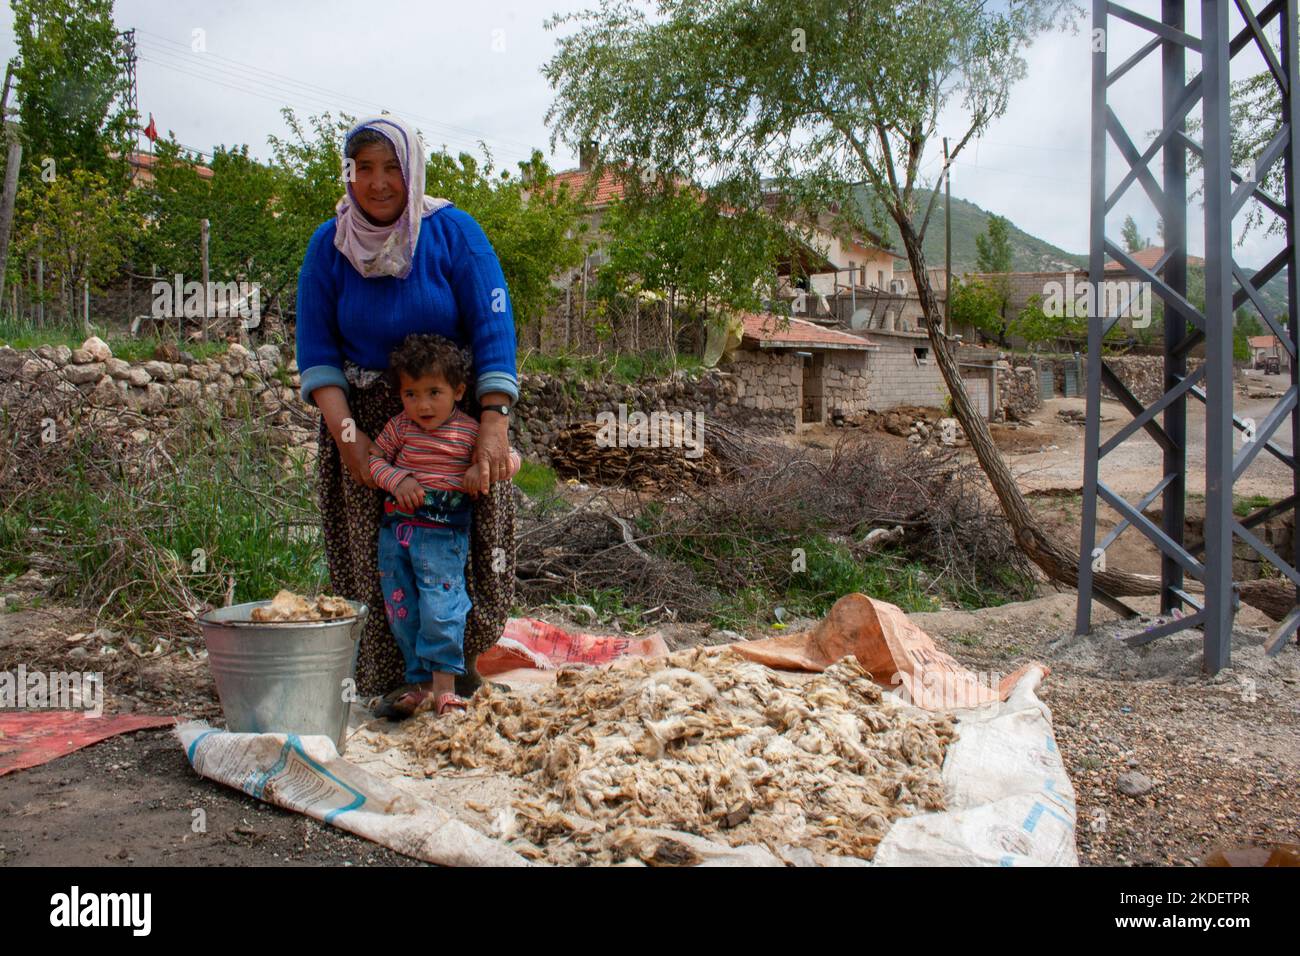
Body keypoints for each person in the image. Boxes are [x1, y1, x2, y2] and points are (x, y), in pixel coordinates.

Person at [295, 114, 519, 709]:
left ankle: (458, 667)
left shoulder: (454, 233)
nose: (378, 182)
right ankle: (392, 676)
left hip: (455, 420)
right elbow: (317, 353)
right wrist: (350, 439)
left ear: (412, 169)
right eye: (363, 168)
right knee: (379, 552)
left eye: (392, 167)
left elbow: (494, 325)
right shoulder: (330, 247)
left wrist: (492, 424)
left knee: (462, 544)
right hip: (364, 421)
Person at [368, 334, 520, 716]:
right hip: (396, 538)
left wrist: (478, 470)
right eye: (411, 394)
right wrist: (396, 481)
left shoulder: (470, 432)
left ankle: (446, 689)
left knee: (442, 609)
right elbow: (373, 461)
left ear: (459, 390)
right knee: (403, 612)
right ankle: (418, 685)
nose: (422, 405)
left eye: (434, 392)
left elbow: (512, 460)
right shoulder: (400, 428)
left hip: (443, 539)